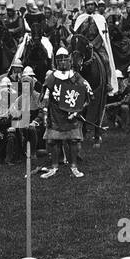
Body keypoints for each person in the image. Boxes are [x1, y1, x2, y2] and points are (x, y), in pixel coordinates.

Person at [39, 46, 92, 179]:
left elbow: (88, 94)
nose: (62, 62)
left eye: (65, 60)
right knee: (53, 141)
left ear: (69, 61)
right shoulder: (52, 77)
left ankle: (73, 166)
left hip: (71, 114)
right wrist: (45, 111)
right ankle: (55, 166)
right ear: (56, 62)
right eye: (59, 60)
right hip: (55, 114)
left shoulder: (75, 76)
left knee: (73, 140)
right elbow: (45, 95)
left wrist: (77, 110)